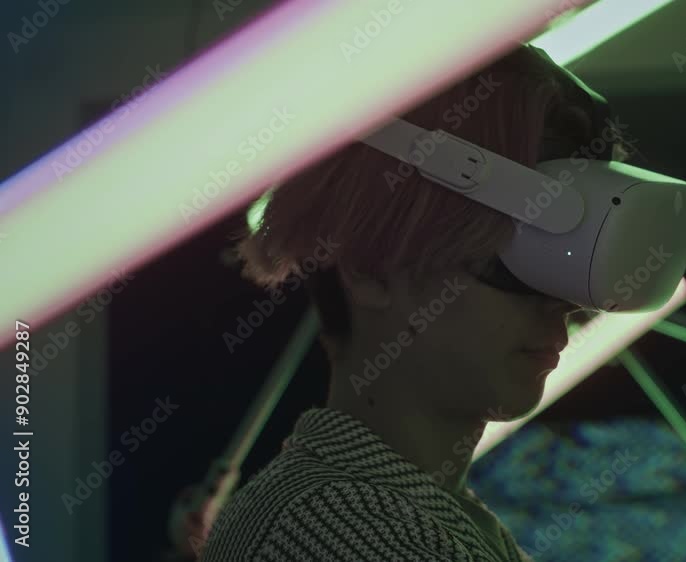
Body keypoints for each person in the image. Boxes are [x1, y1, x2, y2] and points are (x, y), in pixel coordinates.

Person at [199, 43, 634, 562]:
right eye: (511, 259)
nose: (560, 303)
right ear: (369, 267)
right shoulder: (345, 532)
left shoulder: (426, 519)